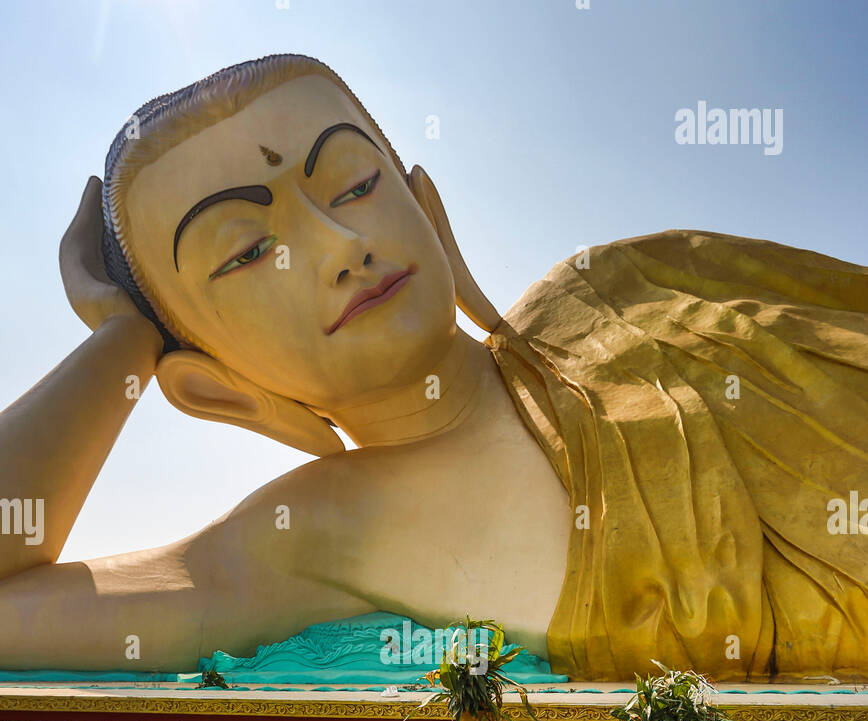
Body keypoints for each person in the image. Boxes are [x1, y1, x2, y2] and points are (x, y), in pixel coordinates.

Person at [0, 55, 863, 681]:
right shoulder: (313, 529)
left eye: (353, 185)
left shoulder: (629, 295)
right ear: (214, 384)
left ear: (432, 211)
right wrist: (119, 343)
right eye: (250, 251)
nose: (342, 246)